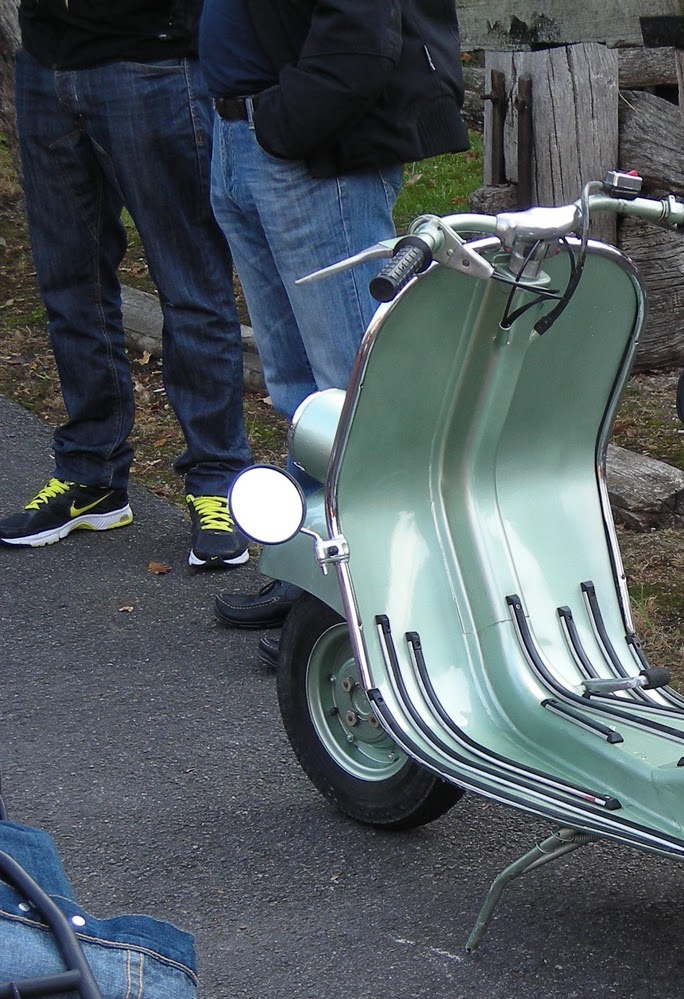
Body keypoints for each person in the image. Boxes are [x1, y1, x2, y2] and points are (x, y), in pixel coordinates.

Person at [202, 0, 469, 650]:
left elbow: (359, 31)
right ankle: (317, 579)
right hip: (243, 136)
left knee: (358, 394)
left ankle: (388, 607)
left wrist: (285, 123)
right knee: (300, 391)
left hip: (309, 149)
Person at [0, 0, 255, 568]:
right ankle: (91, 473)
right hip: (47, 63)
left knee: (190, 284)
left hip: (153, 61)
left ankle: (219, 482)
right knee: (70, 283)